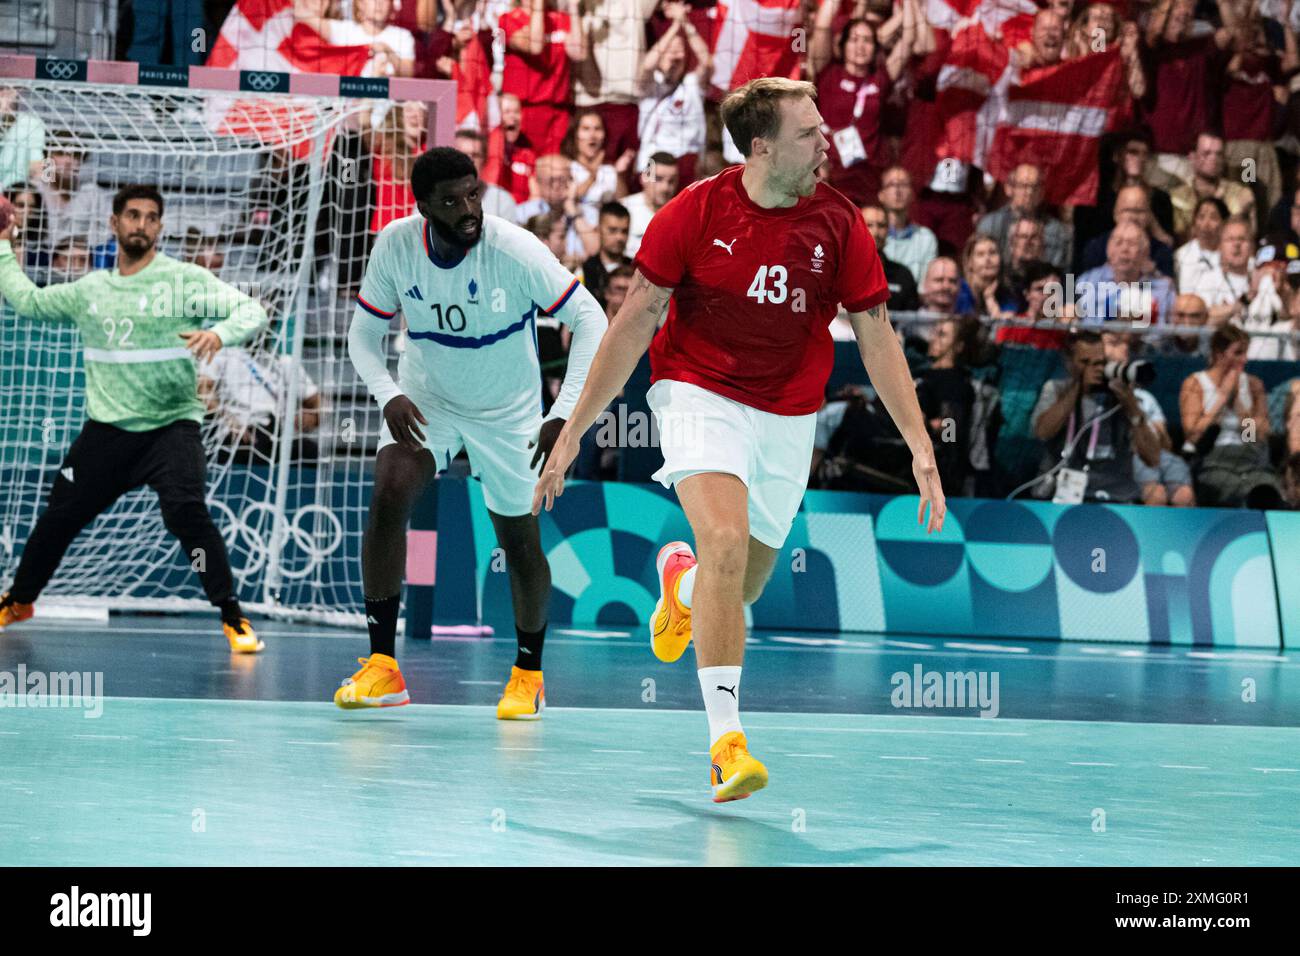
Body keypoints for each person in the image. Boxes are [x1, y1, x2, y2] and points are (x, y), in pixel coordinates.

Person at [532, 77, 945, 803]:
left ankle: (681, 584)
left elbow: (876, 334)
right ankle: (726, 743)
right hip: (698, 389)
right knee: (725, 542)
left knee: (742, 582)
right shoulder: (693, 213)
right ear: (761, 146)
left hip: (789, 413)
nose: (825, 144)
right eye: (809, 134)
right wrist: (574, 428)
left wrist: (920, 443)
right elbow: (633, 324)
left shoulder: (840, 223)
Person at [340, 146, 607, 717]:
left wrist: (562, 410)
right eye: (451, 201)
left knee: (518, 539)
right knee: (389, 491)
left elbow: (591, 318)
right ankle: (382, 667)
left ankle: (528, 674)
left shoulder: (513, 249)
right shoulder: (395, 245)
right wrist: (390, 394)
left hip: (508, 413)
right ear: (423, 208)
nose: (468, 210)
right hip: (429, 400)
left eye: (472, 194)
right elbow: (362, 337)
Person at [0, 185, 268, 651]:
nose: (140, 224)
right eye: (132, 215)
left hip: (171, 426)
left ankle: (232, 616)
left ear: (160, 227)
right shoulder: (91, 290)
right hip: (108, 431)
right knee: (58, 516)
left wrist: (220, 334)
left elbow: (253, 309)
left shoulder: (184, 280)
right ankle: (20, 600)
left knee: (187, 514)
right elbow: (28, 301)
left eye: (149, 217)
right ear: (114, 224)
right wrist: (4, 245)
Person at [1030, 330, 1161, 504]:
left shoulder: (1122, 397)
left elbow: (1152, 458)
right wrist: (1078, 387)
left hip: (1115, 494)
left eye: (1100, 362)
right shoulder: (1056, 389)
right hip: (1062, 491)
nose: (1096, 369)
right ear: (1069, 363)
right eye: (1086, 363)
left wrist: (1132, 408)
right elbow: (1042, 432)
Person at [808, 0, 916, 206]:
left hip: (869, 176)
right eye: (854, 39)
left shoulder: (880, 78)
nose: (861, 46)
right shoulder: (828, 73)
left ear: (875, 47)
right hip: (829, 174)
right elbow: (822, 26)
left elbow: (909, 39)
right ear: (843, 44)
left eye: (867, 40)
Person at [1179, 324, 1283, 508]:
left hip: (1249, 457)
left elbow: (1254, 437)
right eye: (1237, 353)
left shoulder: (1253, 384)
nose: (1244, 359)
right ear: (1219, 353)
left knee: (1269, 490)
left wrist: (1239, 406)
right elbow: (1194, 436)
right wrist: (1223, 399)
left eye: (1245, 353)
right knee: (1236, 490)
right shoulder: (1195, 383)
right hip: (1212, 458)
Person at [1101, 331, 1195, 506]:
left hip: (1157, 454)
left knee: (1184, 495)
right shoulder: (1095, 398)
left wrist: (1135, 410)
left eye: (1124, 344)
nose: (1124, 348)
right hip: (1127, 457)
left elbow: (1165, 445)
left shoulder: (1146, 398)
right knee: (1156, 493)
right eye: (1114, 343)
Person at [198, 345, 322, 464]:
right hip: (240, 431)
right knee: (244, 447)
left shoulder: (284, 363)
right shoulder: (222, 354)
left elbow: (318, 403)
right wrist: (228, 418)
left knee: (309, 451)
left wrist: (312, 416)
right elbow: (203, 390)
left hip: (277, 432)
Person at [633, 1, 710, 183]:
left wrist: (685, 23)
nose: (675, 56)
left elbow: (706, 62)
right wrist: (675, 27)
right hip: (652, 161)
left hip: (686, 162)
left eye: (679, 50)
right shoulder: (649, 86)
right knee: (653, 202)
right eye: (670, 50)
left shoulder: (692, 85)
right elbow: (647, 64)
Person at [500, 0, 587, 156]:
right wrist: (538, 5)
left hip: (557, 113)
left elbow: (579, 53)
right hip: (524, 112)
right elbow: (535, 47)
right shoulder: (507, 19)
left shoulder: (561, 18)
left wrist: (574, 7)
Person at [976, 163, 1073, 272]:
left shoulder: (1057, 231)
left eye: (1035, 187)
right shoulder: (990, 225)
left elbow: (1067, 274)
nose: (1029, 192)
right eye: (1023, 186)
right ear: (1009, 189)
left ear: (1042, 192)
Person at [1168, 132, 1256, 241]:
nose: (1213, 158)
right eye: (1206, 153)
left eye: (1219, 154)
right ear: (1192, 157)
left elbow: (1250, 238)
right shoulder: (1174, 198)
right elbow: (1177, 239)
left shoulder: (1242, 194)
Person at [879, 166, 937, 284]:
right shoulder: (873, 235)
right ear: (881, 195)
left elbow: (925, 285)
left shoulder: (926, 238)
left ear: (912, 194)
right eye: (891, 185)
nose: (897, 191)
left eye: (903, 185)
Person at [860, 203, 918, 312]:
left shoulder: (903, 275)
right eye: (869, 225)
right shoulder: (842, 271)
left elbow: (911, 320)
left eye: (881, 226)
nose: (876, 232)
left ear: (888, 230)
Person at [621, 151, 679, 257]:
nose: (665, 188)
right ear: (644, 177)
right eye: (658, 179)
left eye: (671, 181)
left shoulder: (682, 215)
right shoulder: (624, 208)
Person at [576, 200, 632, 309]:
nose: (619, 237)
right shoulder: (583, 271)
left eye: (624, 231)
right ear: (599, 229)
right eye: (612, 230)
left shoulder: (636, 271)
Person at [954, 233, 1017, 317]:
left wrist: (990, 298)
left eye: (992, 253)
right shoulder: (958, 291)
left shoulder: (1007, 292)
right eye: (980, 254)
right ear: (969, 262)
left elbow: (1005, 327)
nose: (988, 259)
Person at [1174, 195, 1228, 290]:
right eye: (1201, 217)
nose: (1206, 224)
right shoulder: (1181, 255)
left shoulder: (1231, 254)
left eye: (1213, 218)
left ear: (1224, 223)